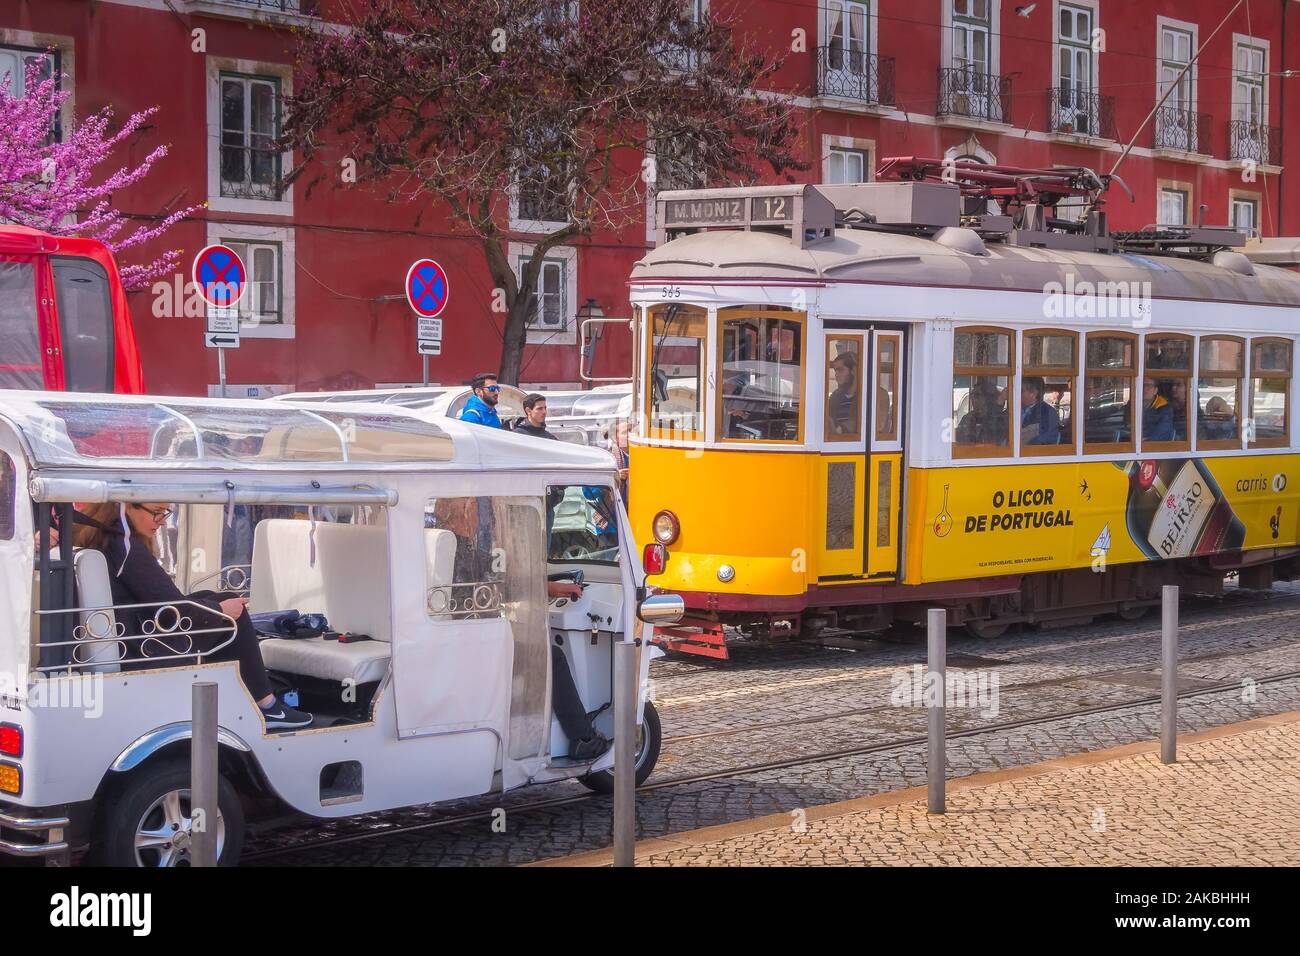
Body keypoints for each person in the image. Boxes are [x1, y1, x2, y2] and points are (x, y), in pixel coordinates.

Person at [73, 501, 312, 731]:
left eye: (165, 513)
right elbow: (174, 608)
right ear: (125, 506)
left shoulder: (95, 537)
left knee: (214, 597)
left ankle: (251, 698)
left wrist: (215, 604)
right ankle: (267, 706)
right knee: (231, 616)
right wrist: (221, 611)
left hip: (128, 637)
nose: (162, 522)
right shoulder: (124, 546)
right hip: (142, 648)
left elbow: (163, 600)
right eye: (156, 512)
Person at [955, 379, 1008, 447]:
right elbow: (957, 439)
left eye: (977, 395)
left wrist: (1000, 402)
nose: (973, 399)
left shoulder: (999, 419)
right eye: (972, 395)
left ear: (987, 398)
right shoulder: (967, 418)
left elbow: (991, 438)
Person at [1020, 376, 1061, 445]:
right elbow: (998, 428)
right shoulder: (1015, 408)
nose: (1016, 393)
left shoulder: (1047, 412)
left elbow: (1046, 439)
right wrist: (1000, 400)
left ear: (1033, 393)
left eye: (1021, 391)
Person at [828, 350, 859, 436]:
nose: (836, 375)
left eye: (840, 370)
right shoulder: (835, 397)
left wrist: (841, 429)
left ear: (854, 371)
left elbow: (875, 423)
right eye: (835, 371)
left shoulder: (871, 395)